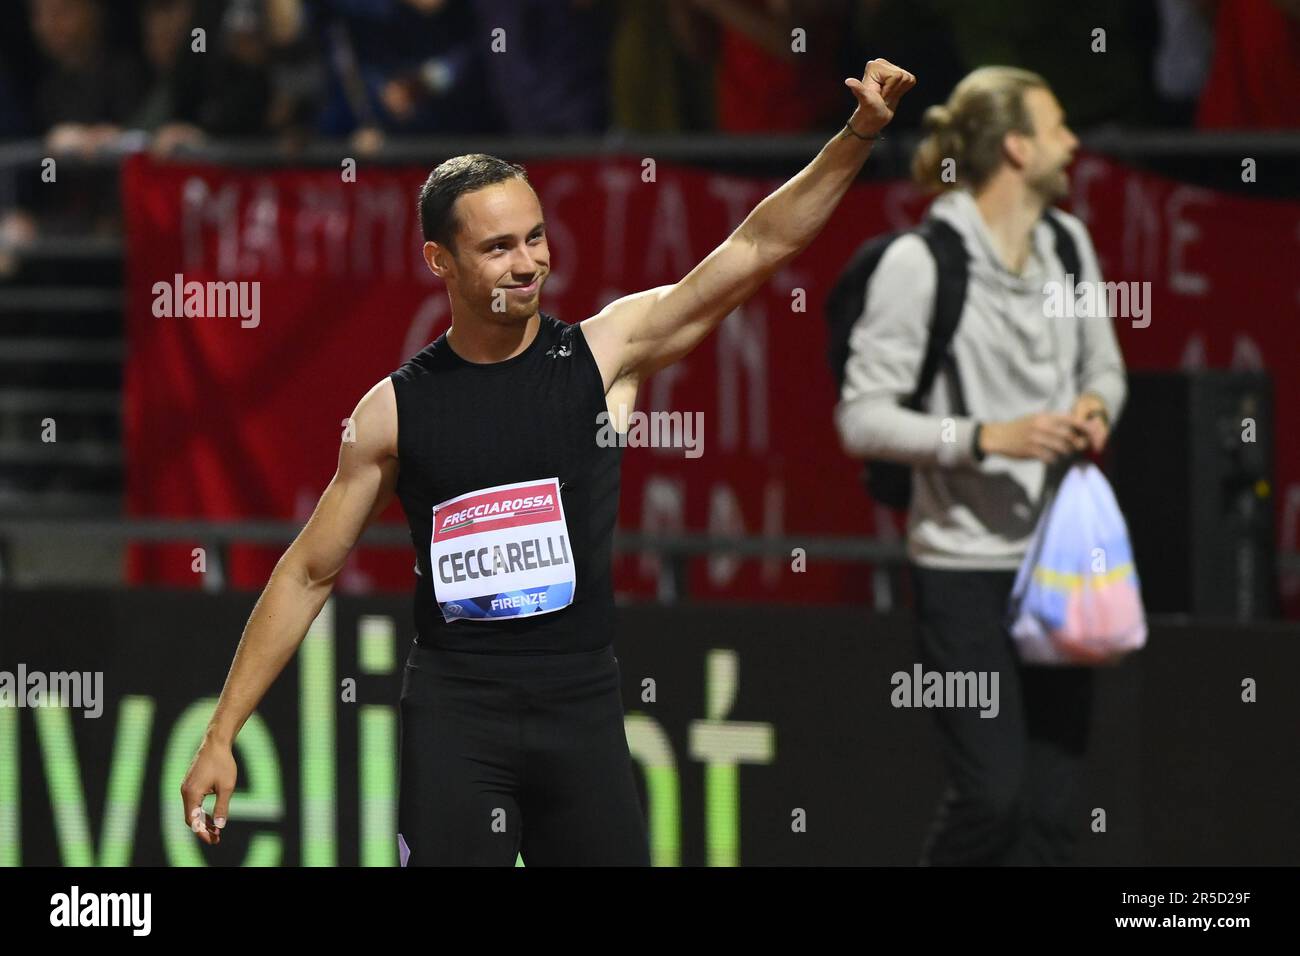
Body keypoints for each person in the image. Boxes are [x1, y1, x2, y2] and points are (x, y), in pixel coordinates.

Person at [180, 58, 917, 865]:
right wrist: (222, 733)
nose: (527, 263)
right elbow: (307, 574)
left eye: (535, 237)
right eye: (497, 248)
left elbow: (758, 244)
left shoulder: (606, 356)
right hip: (455, 719)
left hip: (582, 712)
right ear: (440, 263)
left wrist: (858, 136)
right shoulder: (392, 412)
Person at [833, 66, 1128, 865]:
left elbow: (1105, 368)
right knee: (992, 798)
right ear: (1017, 147)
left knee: (1054, 812)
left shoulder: (1068, 244)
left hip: (1061, 563)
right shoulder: (921, 262)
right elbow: (861, 417)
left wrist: (1095, 409)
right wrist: (984, 438)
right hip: (963, 569)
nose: (1075, 142)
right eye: (1059, 125)